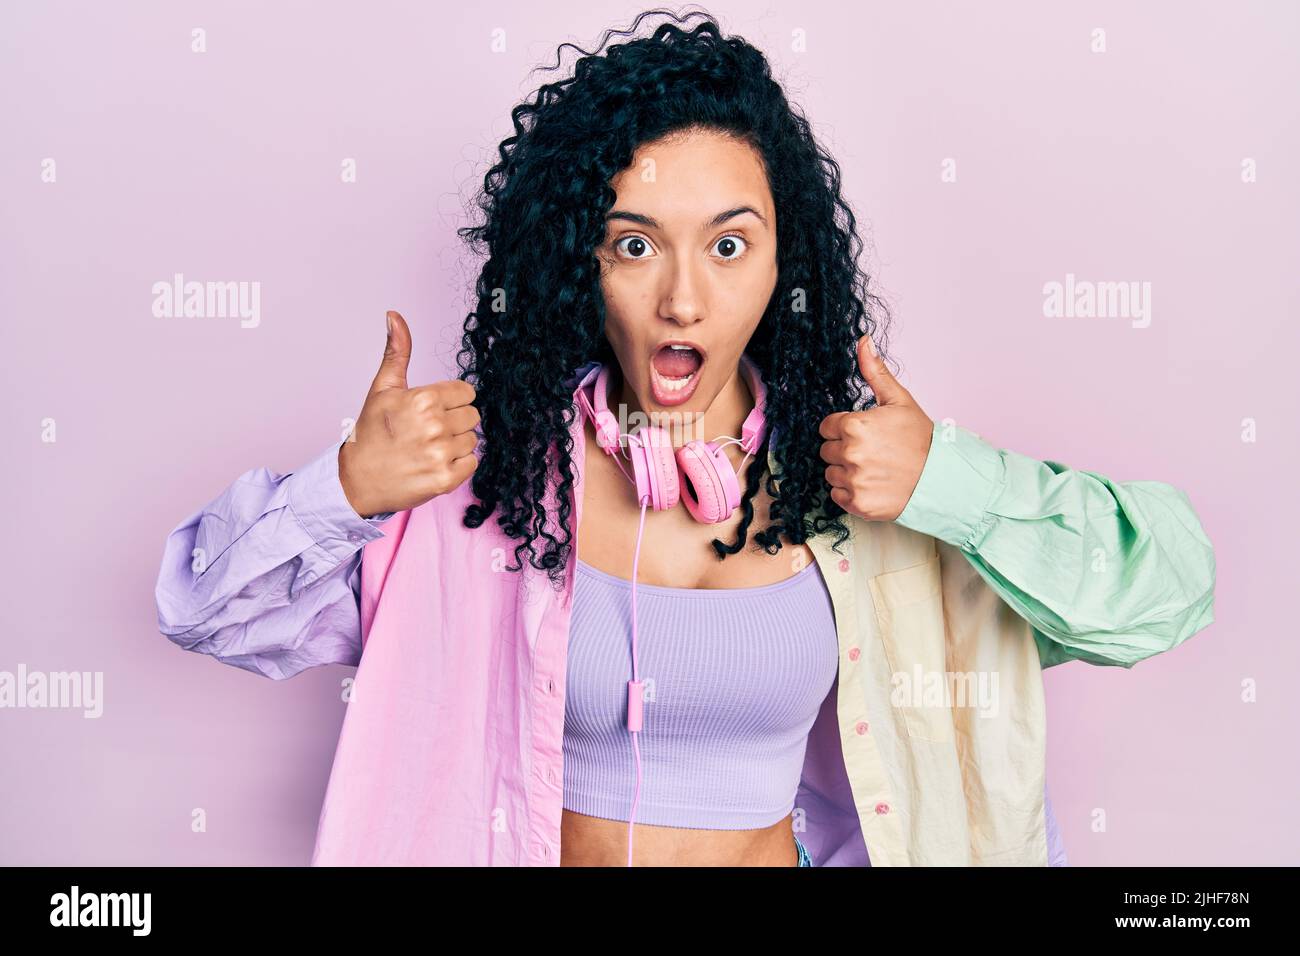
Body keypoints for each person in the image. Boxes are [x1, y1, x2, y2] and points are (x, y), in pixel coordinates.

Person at [154, 10, 1215, 867]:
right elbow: (204, 610)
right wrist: (343, 489)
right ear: (580, 262)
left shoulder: (874, 487)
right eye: (633, 243)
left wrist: (956, 484)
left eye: (728, 245)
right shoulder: (480, 490)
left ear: (781, 263)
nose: (682, 298)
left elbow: (1167, 592)